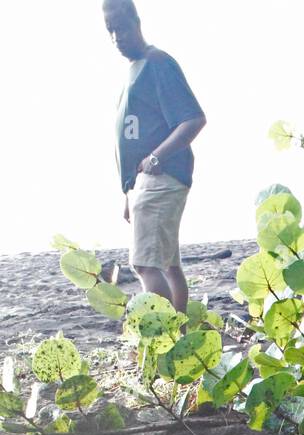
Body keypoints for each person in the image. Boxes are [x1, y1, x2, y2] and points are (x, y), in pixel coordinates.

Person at [103, 0, 206, 312]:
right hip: (144, 183)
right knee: (169, 264)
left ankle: (162, 340)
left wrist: (156, 159)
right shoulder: (134, 70)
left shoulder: (157, 62)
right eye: (110, 30)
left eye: (121, 26)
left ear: (136, 20)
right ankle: (181, 334)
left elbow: (193, 119)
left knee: (146, 265)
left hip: (162, 177)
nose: (116, 36)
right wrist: (128, 193)